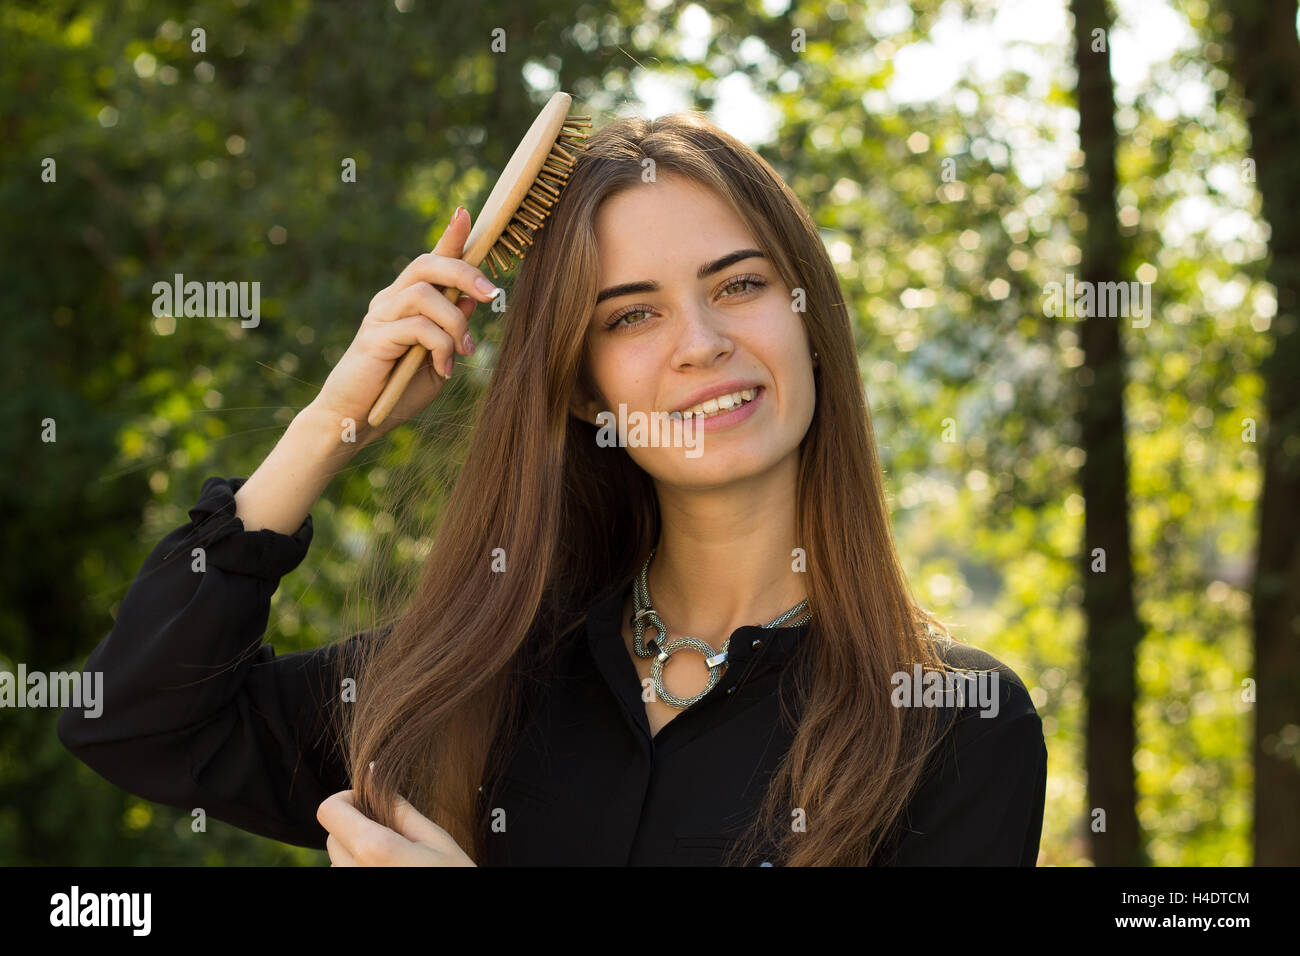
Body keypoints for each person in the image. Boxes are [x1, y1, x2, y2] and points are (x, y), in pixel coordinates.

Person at [58, 112, 1047, 866]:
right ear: (579, 389)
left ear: (807, 319)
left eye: (739, 284)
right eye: (630, 317)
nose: (700, 342)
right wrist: (327, 428)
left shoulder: (953, 725)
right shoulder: (466, 681)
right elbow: (132, 717)